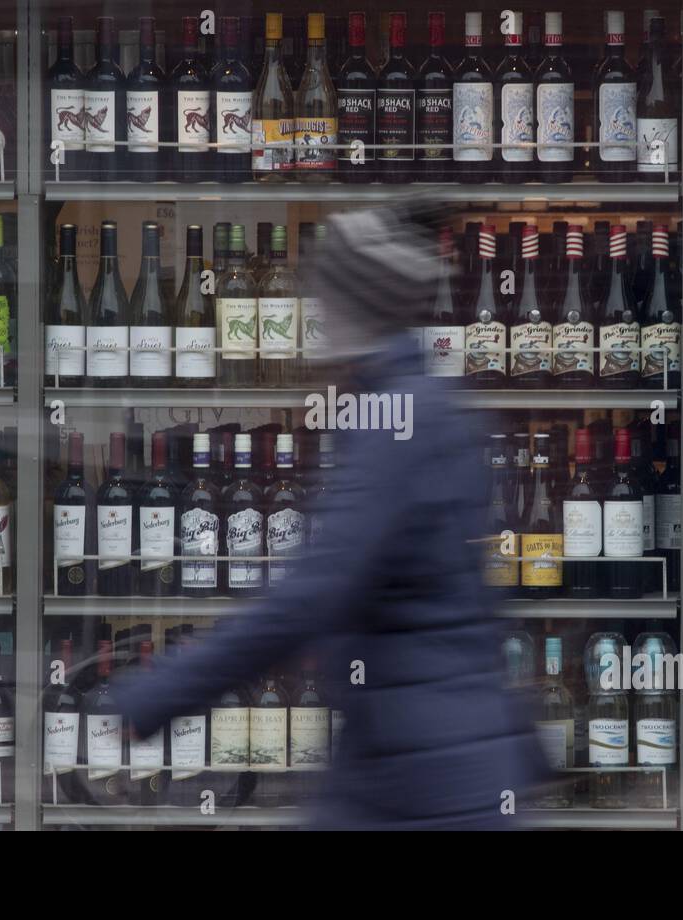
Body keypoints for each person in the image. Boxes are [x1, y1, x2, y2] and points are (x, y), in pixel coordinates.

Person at [114, 203, 543, 829]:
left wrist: (164, 691)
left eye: (322, 298)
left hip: (422, 769)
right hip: (421, 749)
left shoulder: (396, 420)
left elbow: (316, 590)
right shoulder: (426, 404)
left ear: (349, 308)